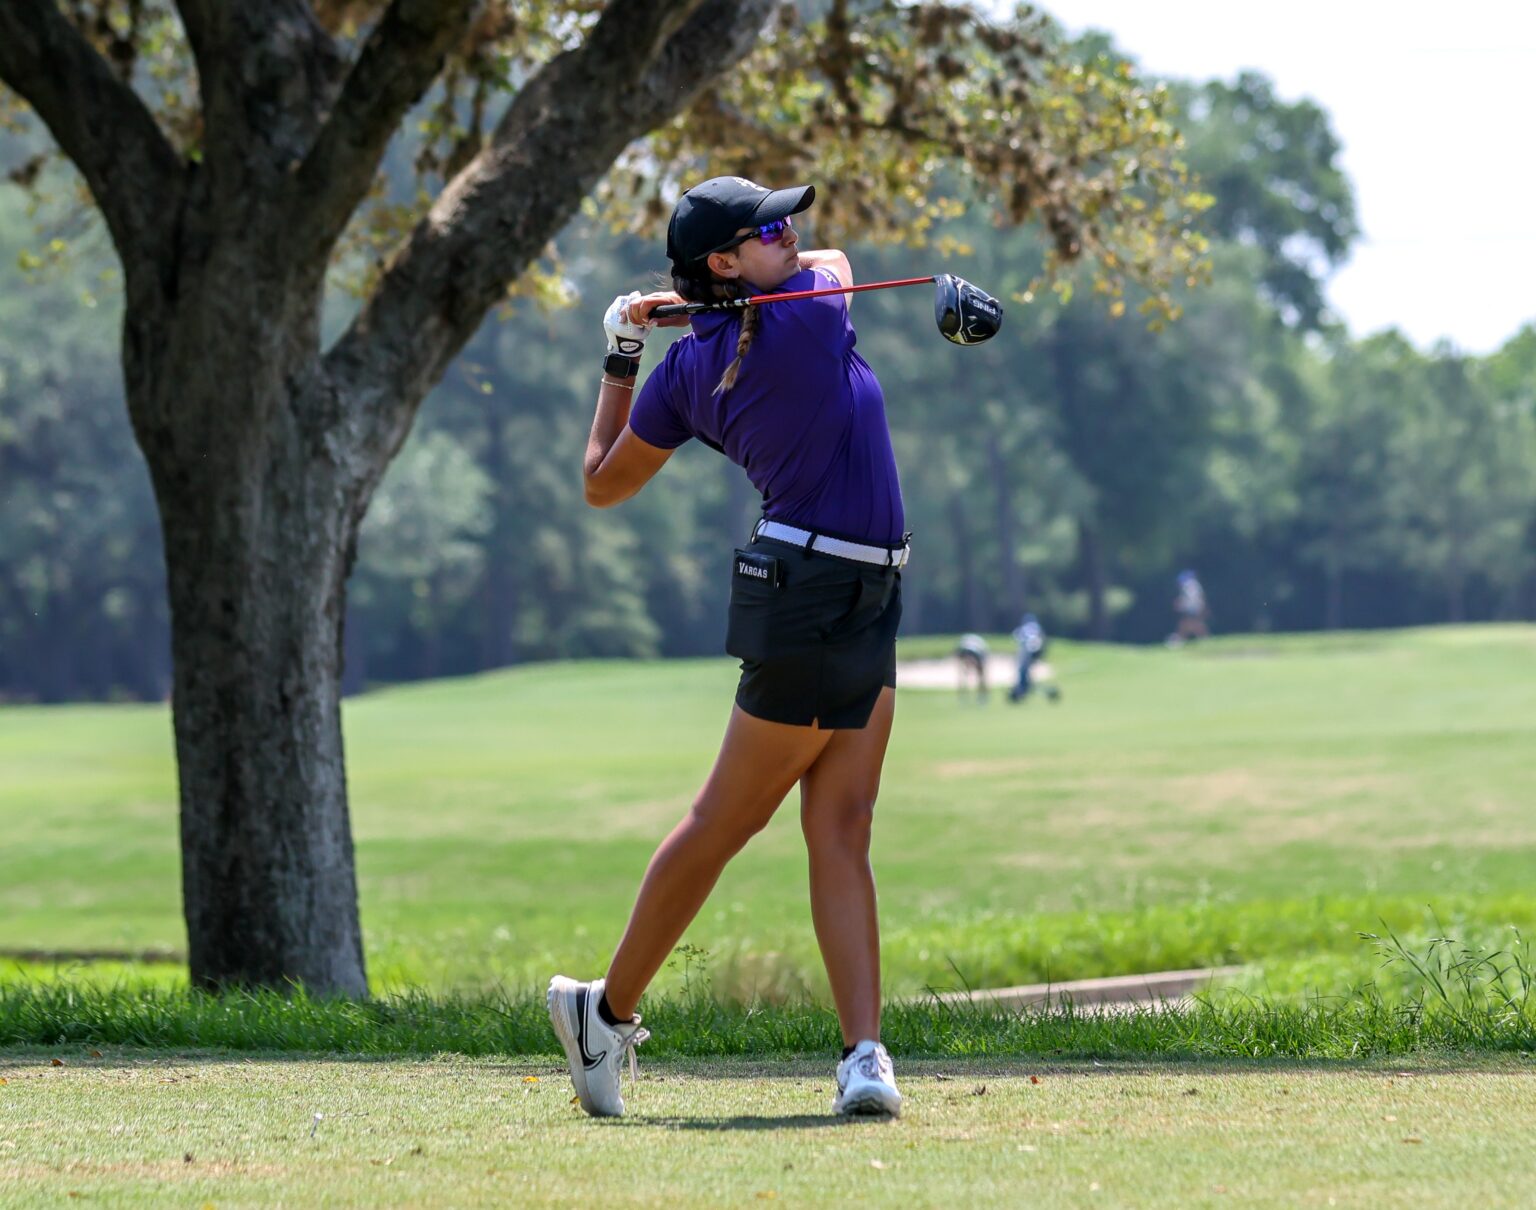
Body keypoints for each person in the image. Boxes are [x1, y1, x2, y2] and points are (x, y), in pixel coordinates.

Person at [547, 176, 908, 1120]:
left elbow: (601, 479)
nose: (792, 233)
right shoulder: (806, 314)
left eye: (786, 222)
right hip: (810, 591)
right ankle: (603, 1014)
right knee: (725, 820)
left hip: (864, 588)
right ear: (723, 260)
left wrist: (625, 352)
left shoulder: (685, 369)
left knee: (843, 824)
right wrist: (697, 307)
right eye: (767, 228)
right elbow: (838, 262)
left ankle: (864, 1056)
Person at [1007, 612, 1060, 702]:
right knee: (1025, 672)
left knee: (1022, 671)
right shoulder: (1037, 627)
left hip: (1027, 652)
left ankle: (1022, 690)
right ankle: (1023, 688)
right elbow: (1043, 639)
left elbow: (1017, 636)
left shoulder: (1024, 628)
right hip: (1036, 652)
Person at [1168, 569, 1210, 646]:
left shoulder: (1189, 585)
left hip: (1192, 608)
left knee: (1189, 624)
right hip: (1196, 607)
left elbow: (1191, 599)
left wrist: (1181, 605)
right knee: (1192, 624)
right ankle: (1204, 639)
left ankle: (1178, 641)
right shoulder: (1194, 584)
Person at [954, 632, 990, 702]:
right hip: (969, 646)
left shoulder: (980, 655)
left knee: (981, 677)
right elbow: (959, 669)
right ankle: (963, 696)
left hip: (979, 649)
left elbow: (982, 674)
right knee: (962, 676)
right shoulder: (961, 652)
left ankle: (983, 696)